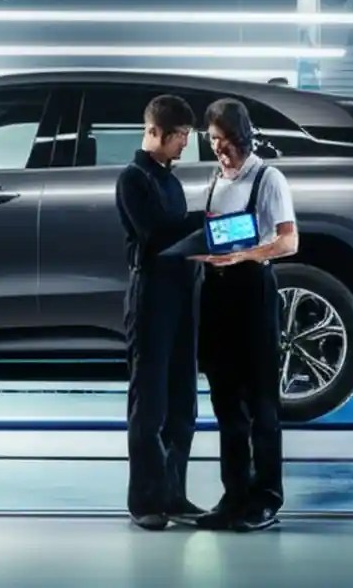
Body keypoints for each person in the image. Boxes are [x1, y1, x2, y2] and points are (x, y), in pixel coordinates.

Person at [191, 97, 299, 532]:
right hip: (217, 294)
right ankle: (233, 494)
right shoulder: (214, 181)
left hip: (253, 289)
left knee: (260, 403)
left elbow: (289, 242)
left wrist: (245, 255)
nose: (219, 149)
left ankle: (266, 496)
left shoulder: (269, 179)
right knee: (225, 402)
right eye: (213, 141)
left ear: (242, 136)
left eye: (225, 140)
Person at [114, 94, 207, 531]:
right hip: (150, 293)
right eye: (180, 137)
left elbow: (180, 233)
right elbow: (153, 235)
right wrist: (203, 223)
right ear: (156, 133)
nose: (185, 145)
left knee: (183, 401)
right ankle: (146, 502)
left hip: (182, 291)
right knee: (149, 403)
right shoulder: (132, 180)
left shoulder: (171, 180)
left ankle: (174, 494)